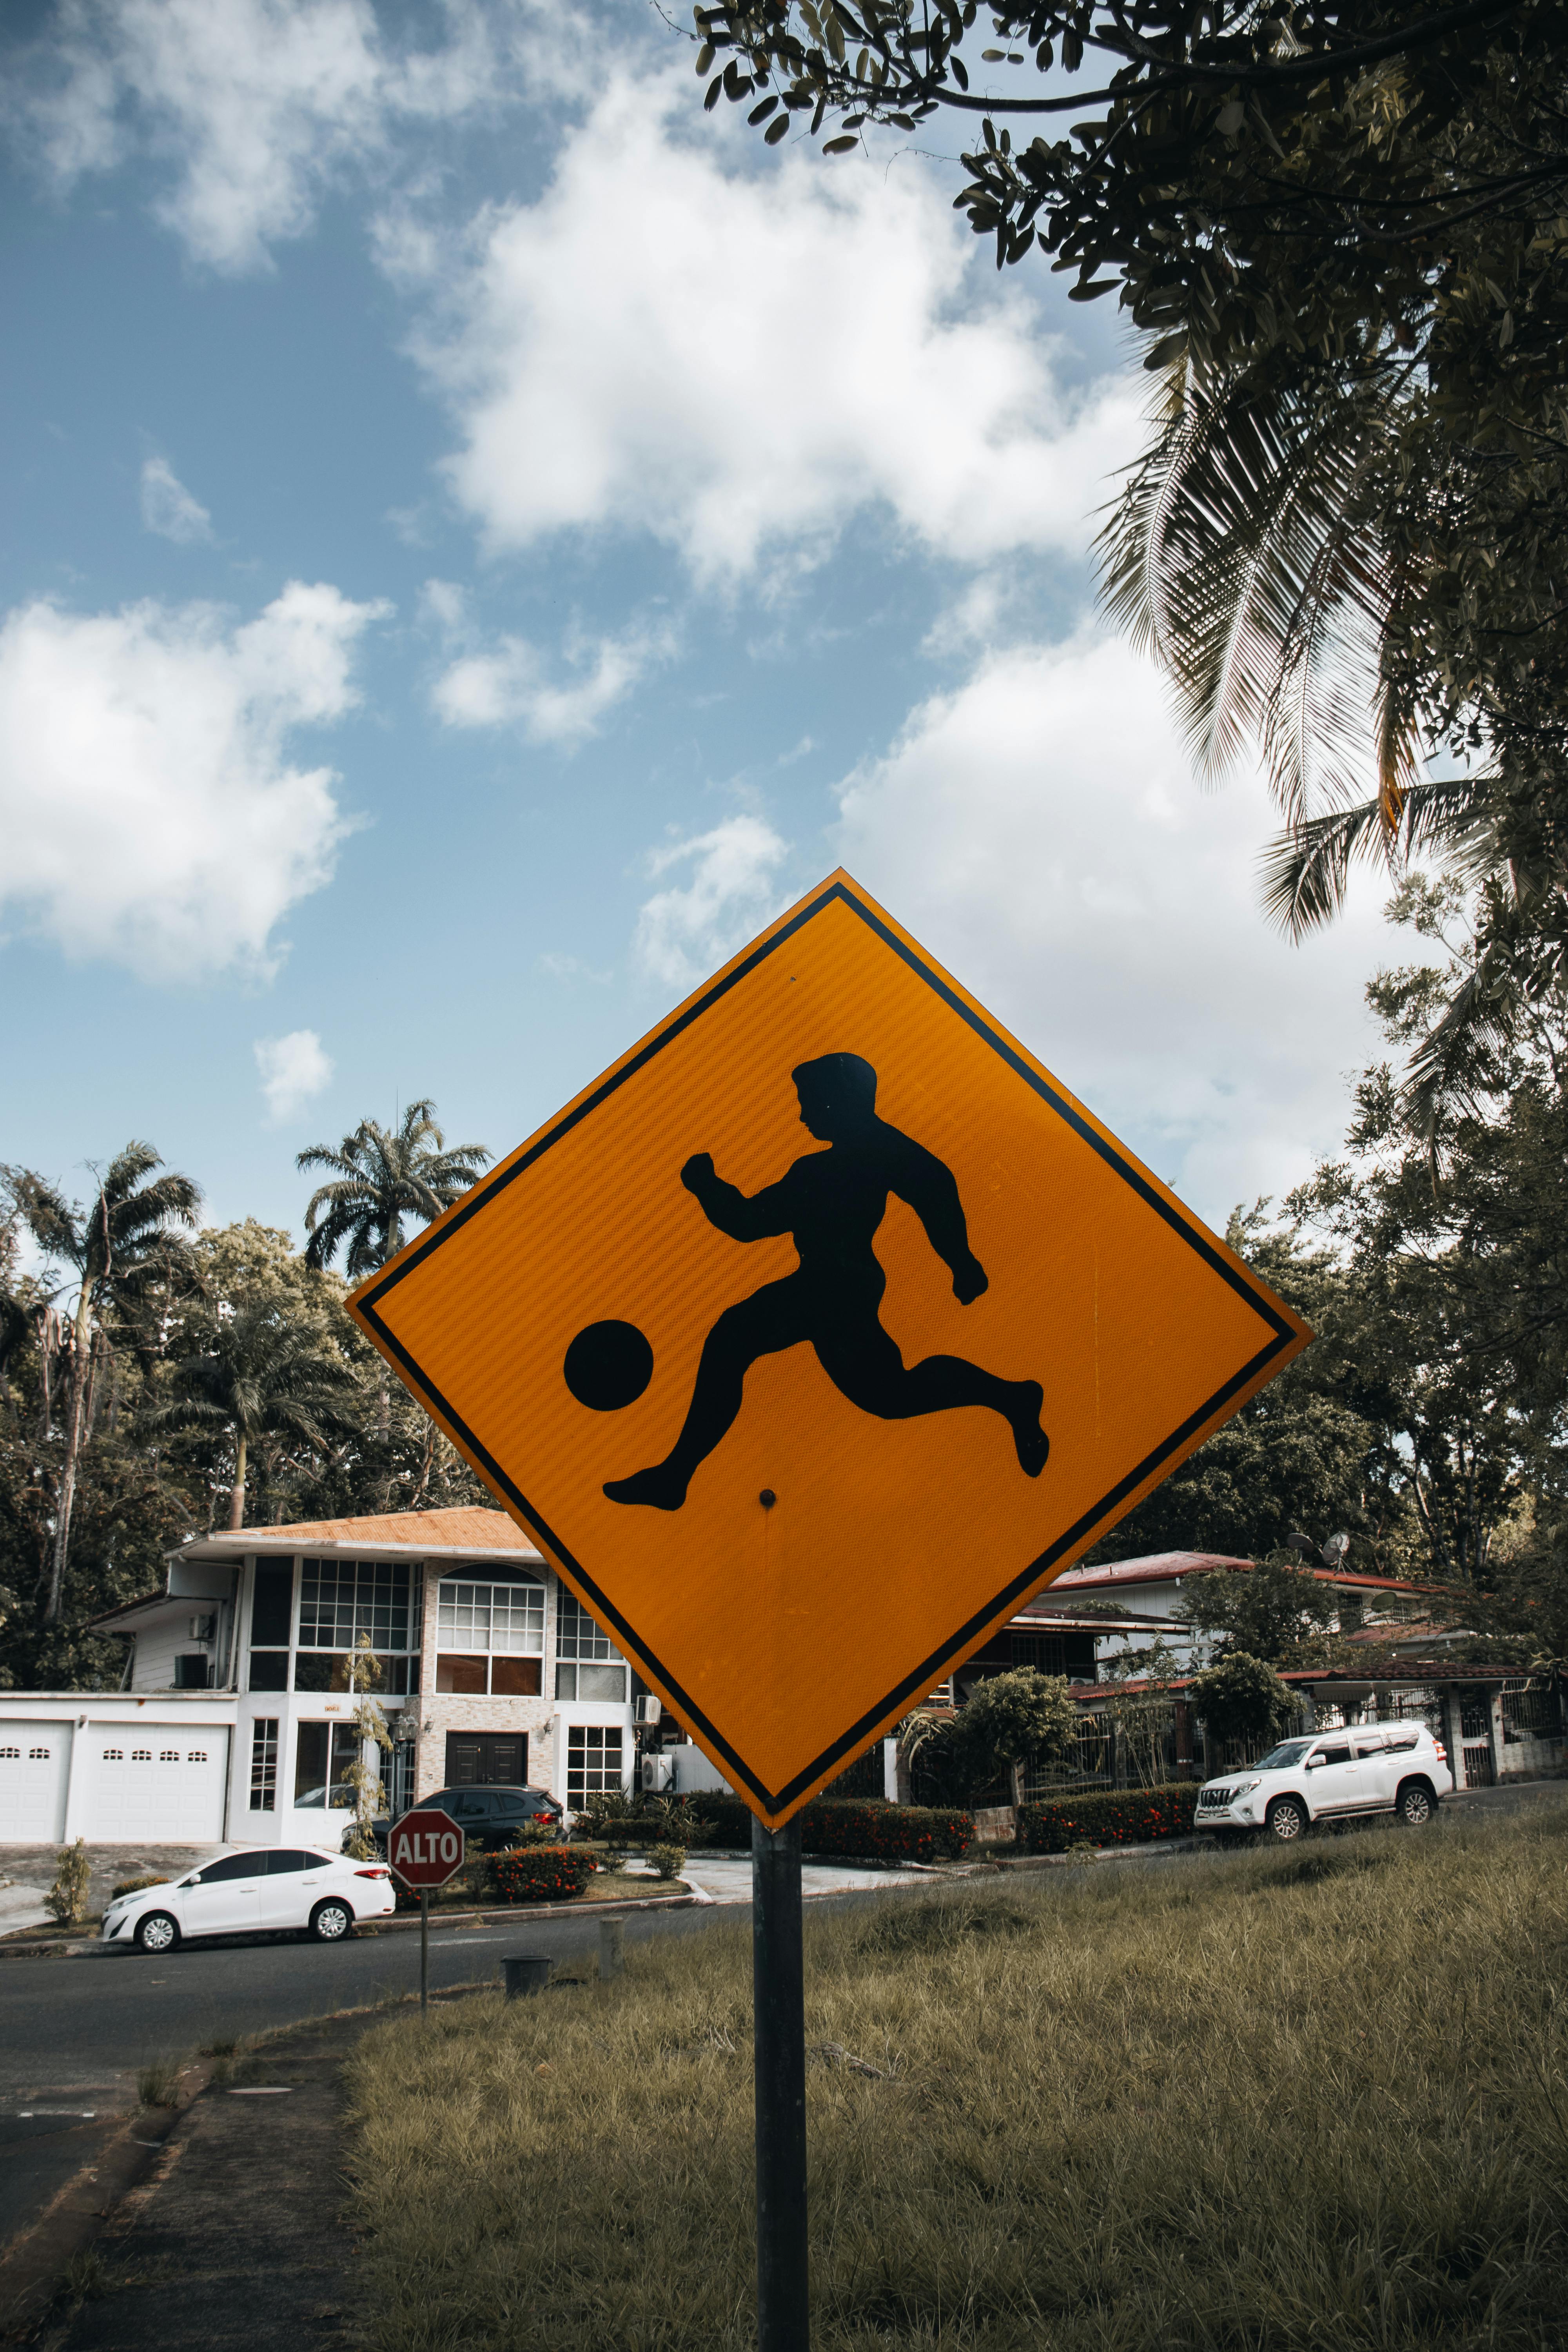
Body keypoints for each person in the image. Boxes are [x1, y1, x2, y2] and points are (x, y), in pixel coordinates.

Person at [604, 1052, 1049, 1510]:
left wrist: (962, 1261)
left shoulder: (866, 1155)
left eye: (810, 1103)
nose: (803, 1115)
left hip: (836, 1291)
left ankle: (1011, 1397)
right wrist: (709, 1188)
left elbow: (934, 1189)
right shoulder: (824, 1168)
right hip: (827, 1288)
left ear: (842, 1102)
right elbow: (752, 1222)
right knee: (754, 1346)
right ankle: (1011, 1397)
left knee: (877, 1389)